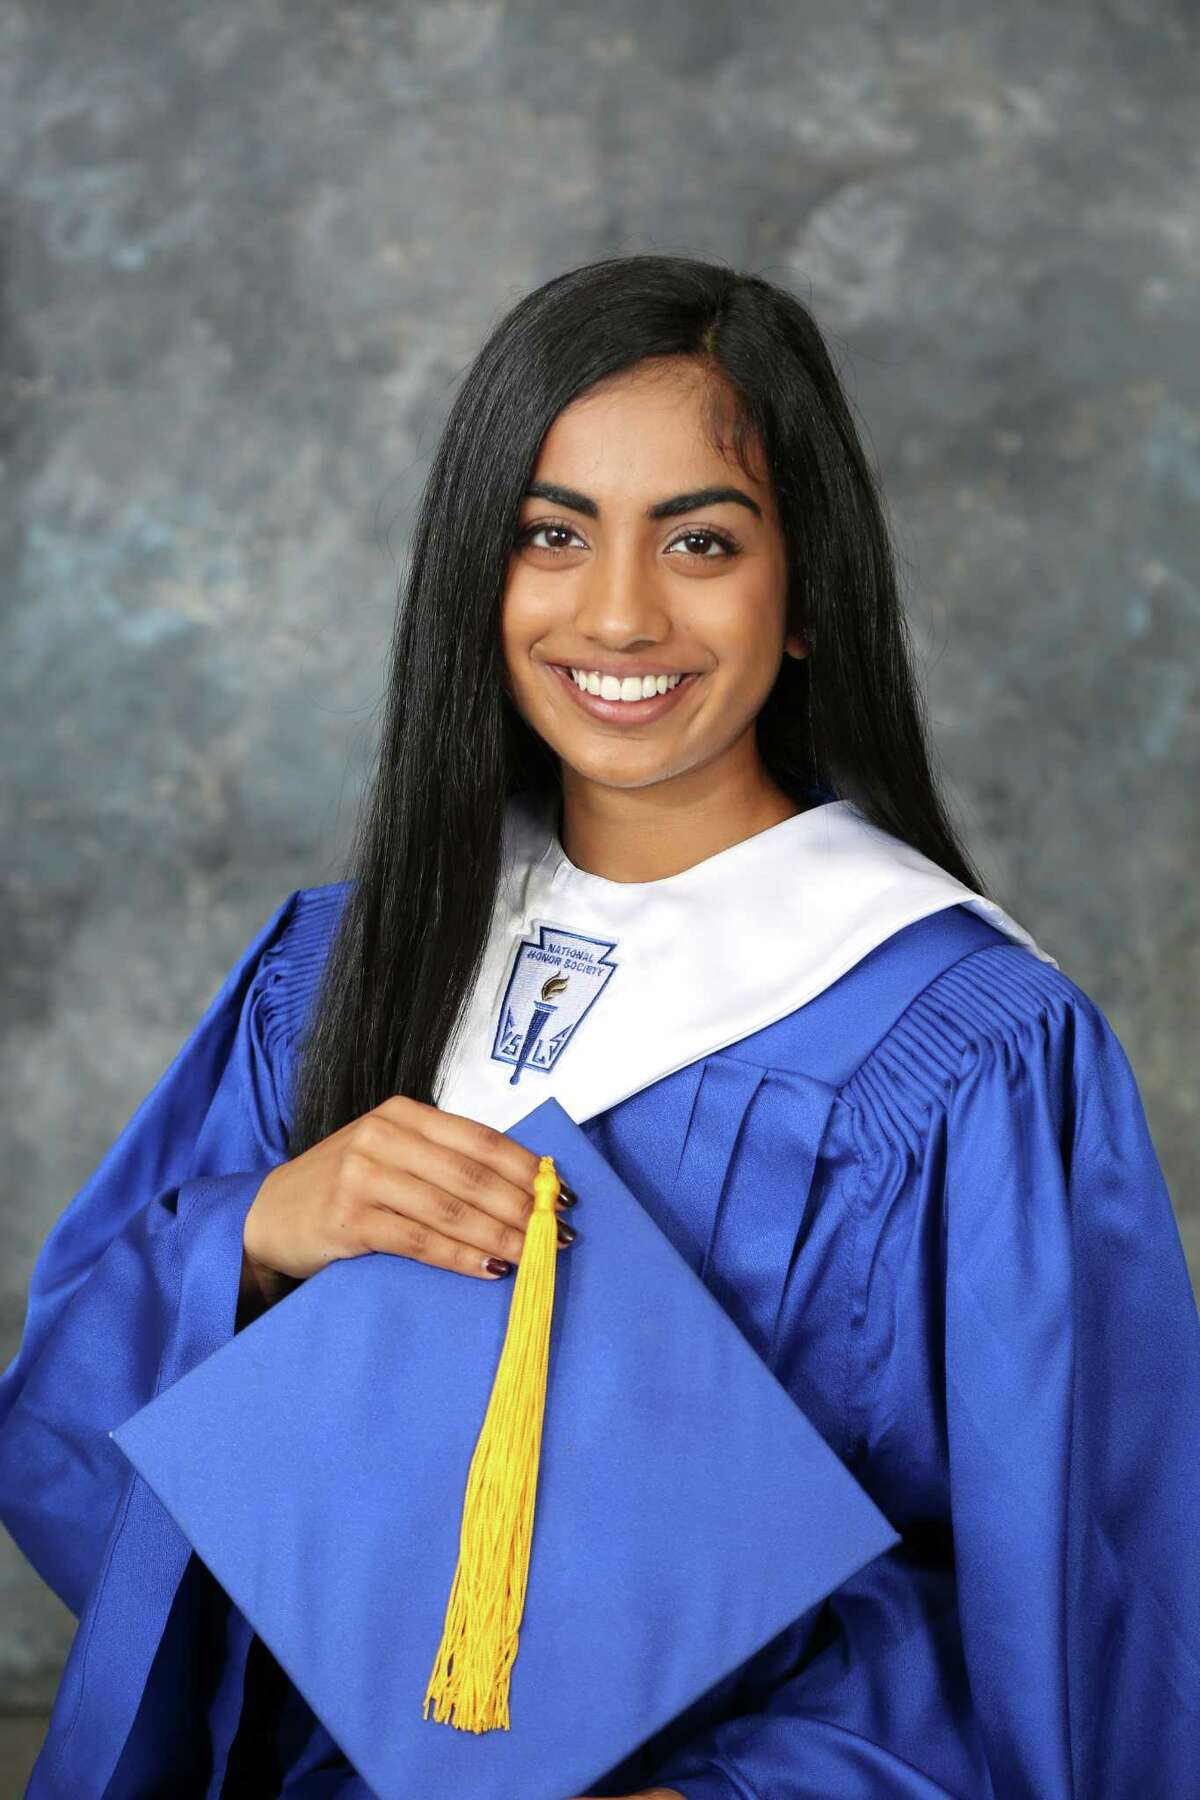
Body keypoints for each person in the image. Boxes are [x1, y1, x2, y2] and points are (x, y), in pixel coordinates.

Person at [3, 253, 1198, 1799]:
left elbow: (1083, 1618)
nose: (619, 611)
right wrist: (251, 1236)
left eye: (700, 539)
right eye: (551, 535)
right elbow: (65, 1460)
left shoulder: (961, 1050)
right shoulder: (335, 970)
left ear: (809, 594)